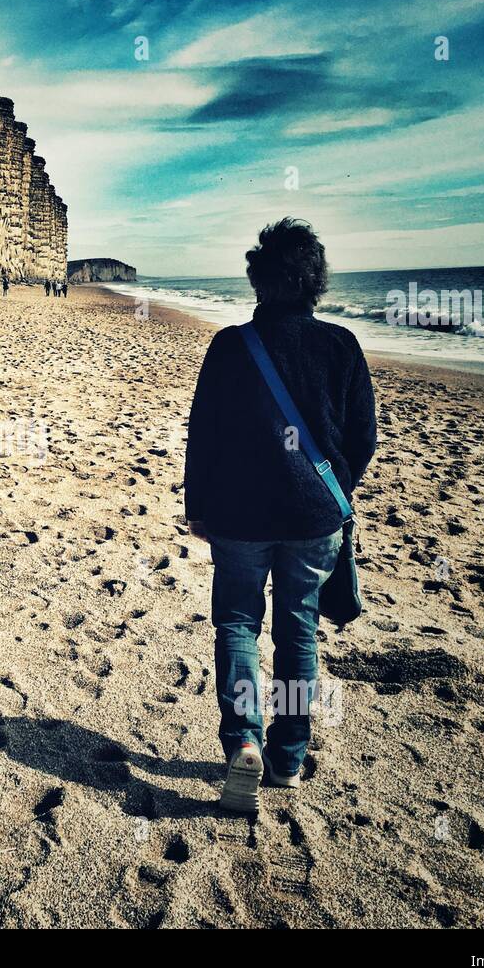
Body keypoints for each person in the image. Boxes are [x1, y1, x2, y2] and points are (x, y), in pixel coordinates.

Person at [183, 218, 376, 814]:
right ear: (314, 282)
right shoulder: (341, 344)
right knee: (298, 630)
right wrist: (333, 488)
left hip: (239, 514)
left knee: (238, 623)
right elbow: (363, 438)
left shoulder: (230, 346)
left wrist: (198, 506)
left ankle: (243, 739)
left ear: (258, 280)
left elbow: (203, 437)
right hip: (313, 515)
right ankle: (288, 756)